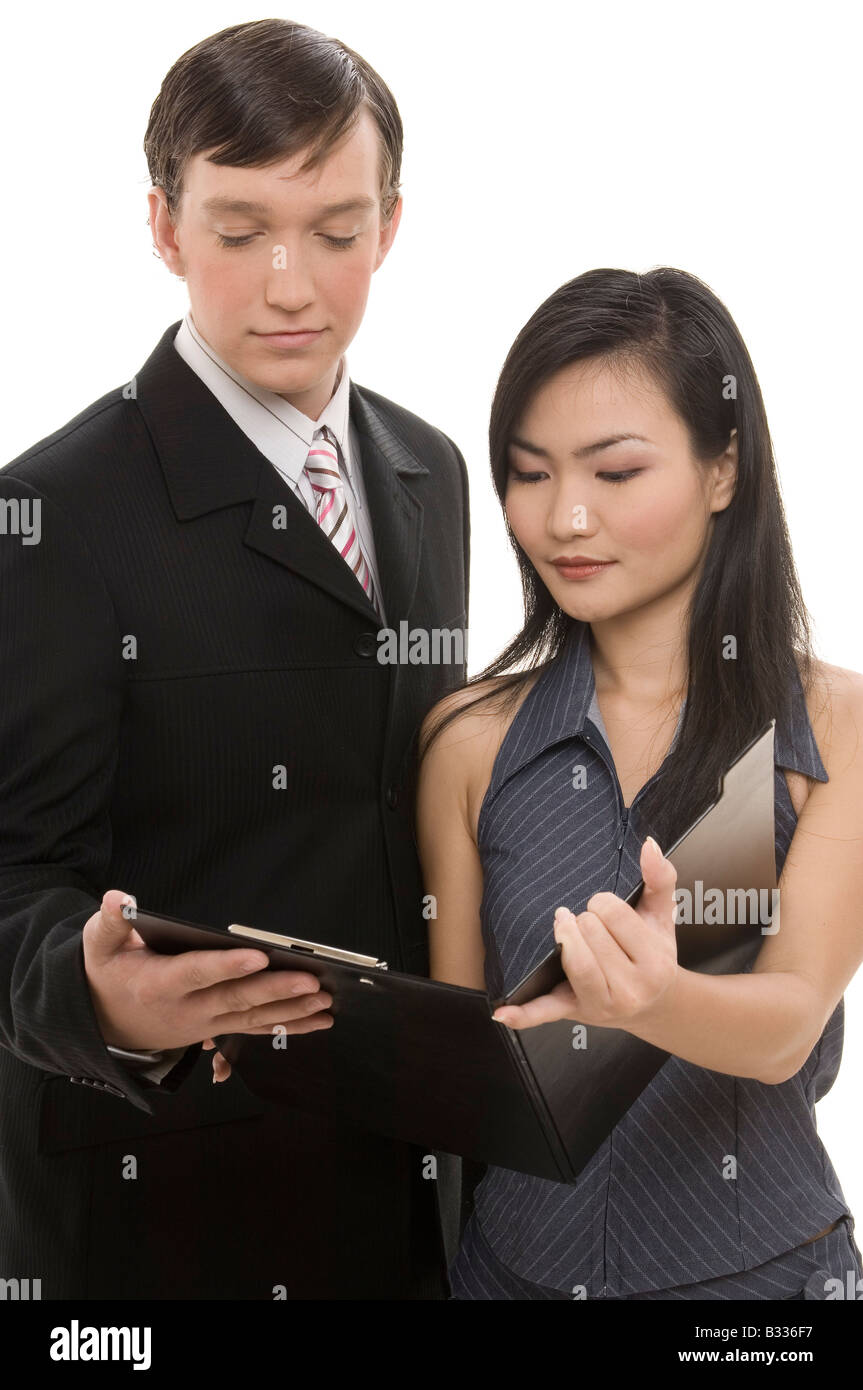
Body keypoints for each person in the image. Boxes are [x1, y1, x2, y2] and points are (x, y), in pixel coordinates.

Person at [0, 19, 469, 1300]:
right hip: (164, 1209)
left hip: (408, 1181)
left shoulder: (432, 472)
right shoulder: (53, 514)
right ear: (163, 225)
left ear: (389, 226)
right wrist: (98, 1002)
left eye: (335, 231)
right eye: (239, 228)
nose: (289, 285)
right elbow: (14, 873)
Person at [416, 266, 863, 1300]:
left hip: (756, 1292)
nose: (565, 517)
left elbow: (788, 1020)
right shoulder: (468, 741)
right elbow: (458, 1073)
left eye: (615, 472)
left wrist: (657, 1000)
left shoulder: (835, 728)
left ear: (722, 469)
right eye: (529, 473)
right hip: (508, 1277)